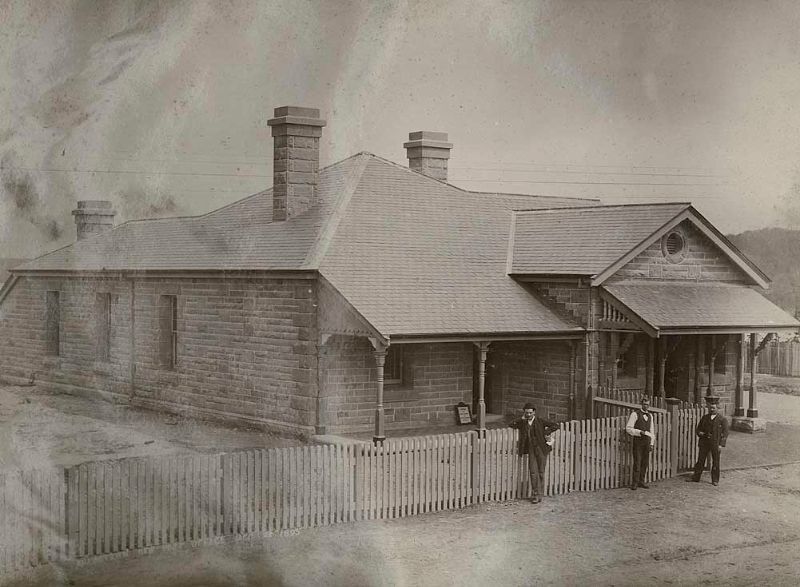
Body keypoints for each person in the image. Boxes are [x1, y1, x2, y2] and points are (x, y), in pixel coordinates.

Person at [510, 402, 559, 503]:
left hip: (542, 449)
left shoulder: (540, 421)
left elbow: (555, 425)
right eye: (526, 413)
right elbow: (511, 424)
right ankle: (535, 494)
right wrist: (521, 419)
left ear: (534, 412)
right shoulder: (523, 422)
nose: (528, 415)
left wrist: (546, 432)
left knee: (541, 472)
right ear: (524, 413)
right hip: (531, 450)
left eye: (530, 413)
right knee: (533, 472)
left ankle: (540, 494)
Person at [690, 395, 729, 486]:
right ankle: (696, 477)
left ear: (717, 408)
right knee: (700, 460)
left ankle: (715, 480)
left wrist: (721, 445)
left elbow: (726, 433)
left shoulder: (722, 420)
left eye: (713, 408)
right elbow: (698, 429)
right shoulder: (705, 418)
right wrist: (701, 433)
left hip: (715, 443)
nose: (712, 410)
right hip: (704, 442)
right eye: (710, 408)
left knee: (716, 461)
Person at [625, 395, 656, 490]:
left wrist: (651, 444)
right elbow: (628, 429)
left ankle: (641, 481)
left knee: (645, 462)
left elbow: (652, 431)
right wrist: (639, 432)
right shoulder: (635, 414)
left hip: (646, 442)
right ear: (641, 404)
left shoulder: (650, 416)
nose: (646, 406)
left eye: (647, 405)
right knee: (637, 462)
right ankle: (635, 482)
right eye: (644, 404)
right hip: (638, 442)